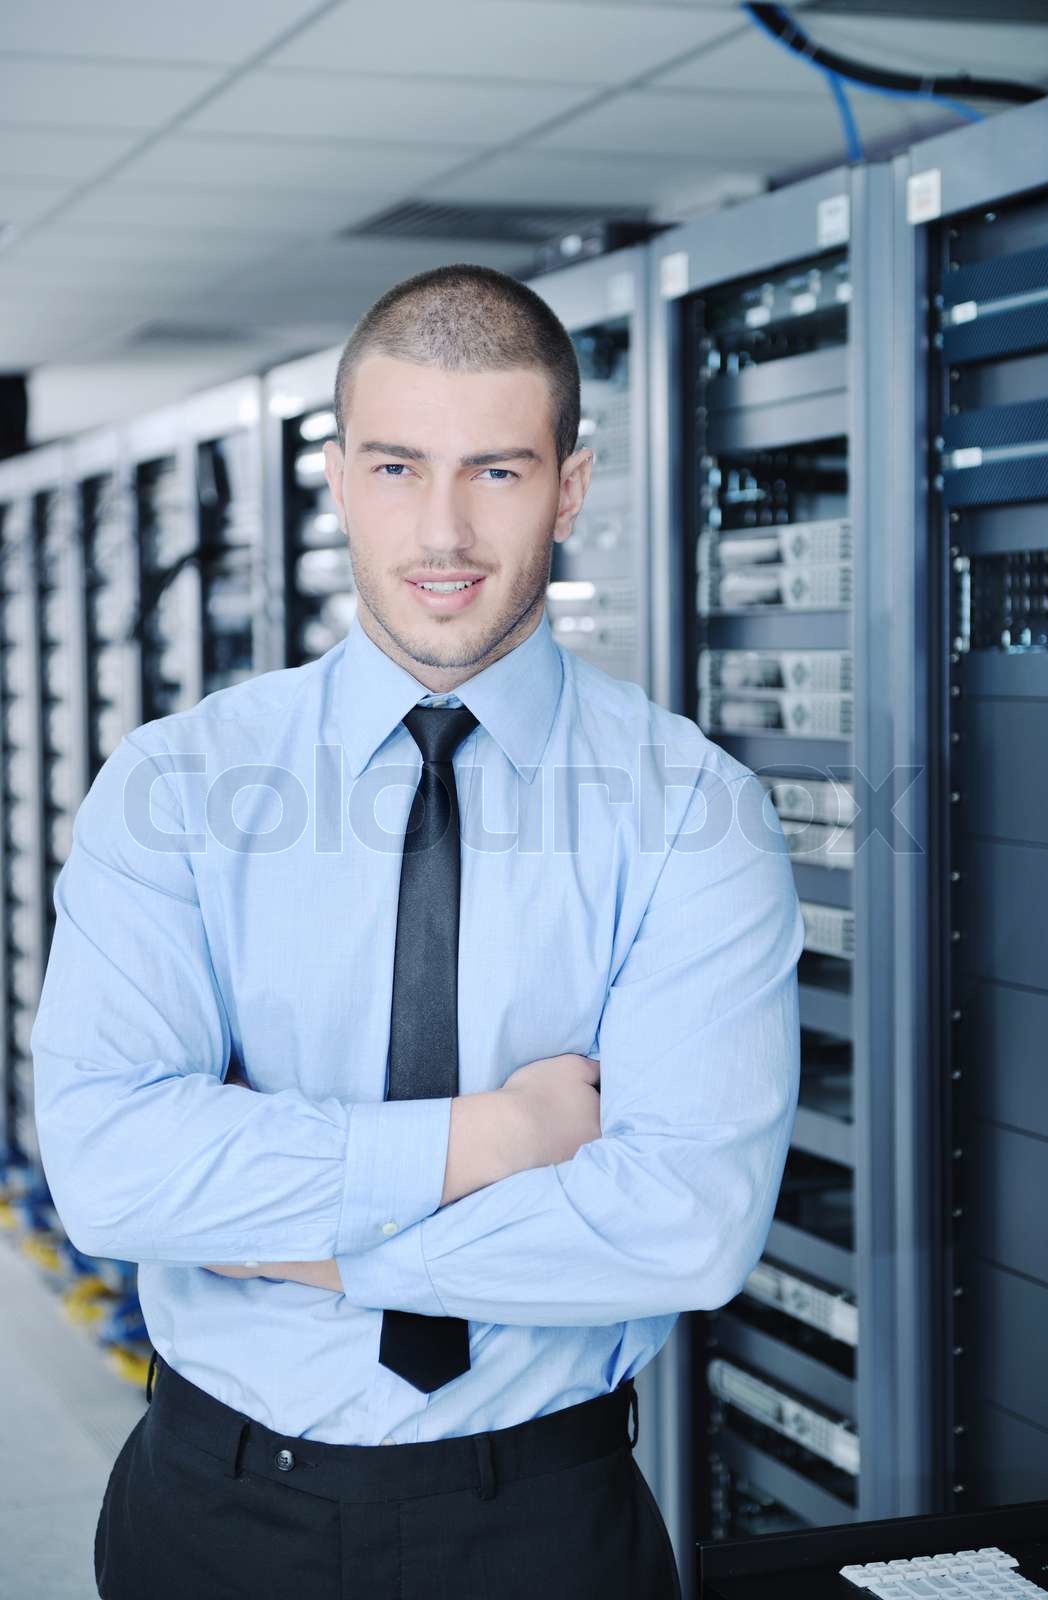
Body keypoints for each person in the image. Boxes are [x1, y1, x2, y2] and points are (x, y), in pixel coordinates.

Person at [31, 262, 803, 1599]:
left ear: (570, 483)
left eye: (496, 472)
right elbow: (109, 1171)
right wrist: (494, 1140)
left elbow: (685, 1227)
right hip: (212, 1513)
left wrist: (280, 1233)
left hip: (545, 1525)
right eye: (398, 467)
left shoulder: (694, 811)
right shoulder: (176, 784)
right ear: (337, 476)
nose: (442, 531)